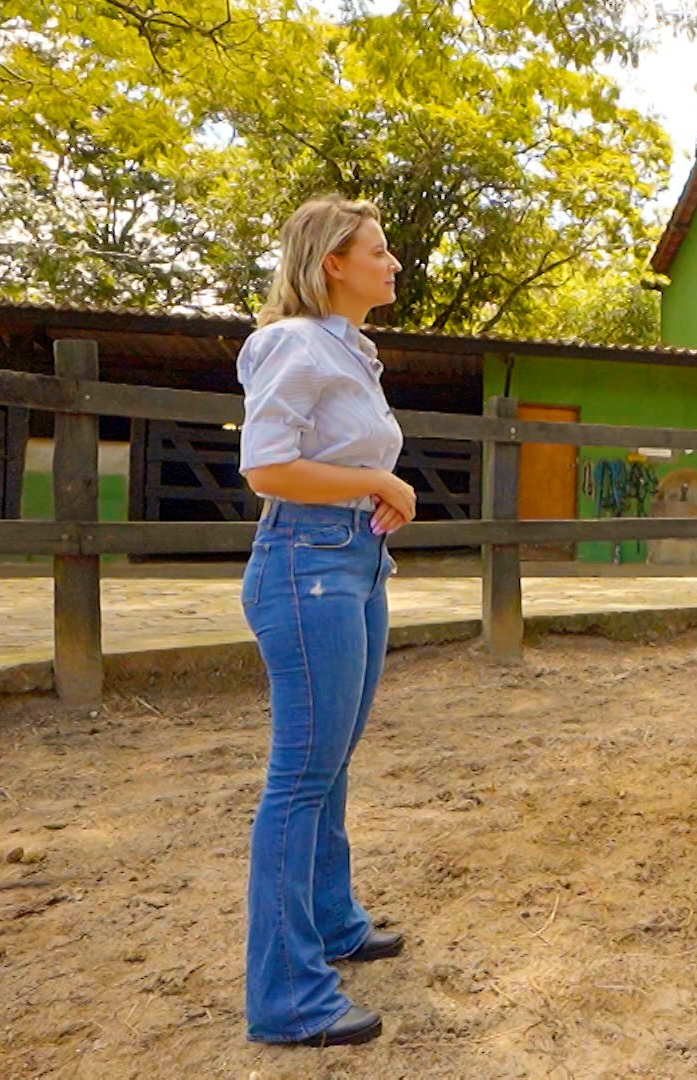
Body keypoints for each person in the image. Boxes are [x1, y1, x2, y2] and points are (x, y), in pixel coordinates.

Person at [235, 196, 417, 1045]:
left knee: (332, 760)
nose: (392, 265)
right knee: (300, 777)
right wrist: (377, 485)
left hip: (353, 563)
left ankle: (334, 922)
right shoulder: (291, 344)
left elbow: (335, 459)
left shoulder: (351, 351)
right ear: (331, 263)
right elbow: (267, 468)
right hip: (307, 568)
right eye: (377, 252)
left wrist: (375, 496)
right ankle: (286, 997)